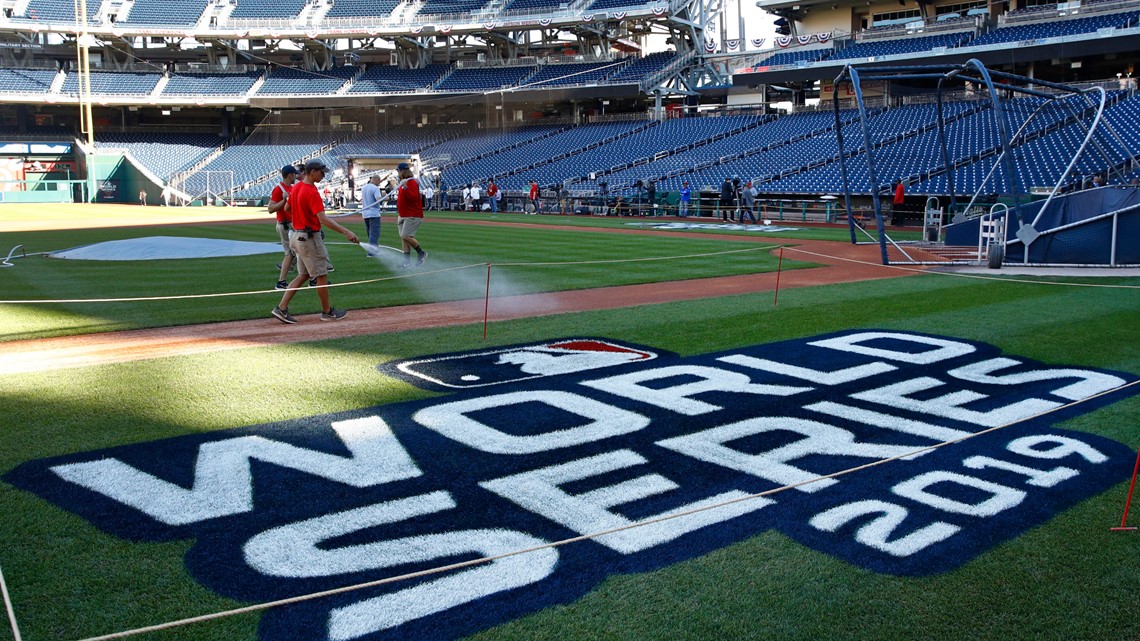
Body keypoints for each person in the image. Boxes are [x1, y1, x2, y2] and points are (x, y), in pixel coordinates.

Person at [271, 160, 358, 324]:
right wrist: (346, 232)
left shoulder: (295, 188)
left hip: (297, 236)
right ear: (312, 172)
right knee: (321, 275)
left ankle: (281, 308)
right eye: (321, 171)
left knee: (303, 275)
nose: (324, 174)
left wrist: (301, 215)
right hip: (310, 239)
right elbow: (323, 219)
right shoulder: (311, 191)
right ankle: (327, 312)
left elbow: (288, 209)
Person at [269, 164, 299, 289]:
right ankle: (281, 282)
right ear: (290, 175)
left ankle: (312, 277)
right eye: (294, 174)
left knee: (296, 251)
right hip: (285, 225)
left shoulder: (291, 187)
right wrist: (284, 200)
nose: (296, 176)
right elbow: (270, 209)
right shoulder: (278, 189)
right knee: (290, 253)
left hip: (292, 224)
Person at [395, 161, 428, 268]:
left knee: (405, 235)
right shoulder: (403, 182)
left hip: (412, 214)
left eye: (398, 171)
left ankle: (421, 253)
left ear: (402, 171)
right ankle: (406, 261)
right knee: (404, 238)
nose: (398, 173)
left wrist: (405, 187)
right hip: (403, 214)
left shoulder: (411, 182)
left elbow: (413, 197)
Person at [359, 174, 383, 254]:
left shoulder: (364, 187)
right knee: (374, 233)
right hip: (374, 213)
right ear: (376, 180)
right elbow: (378, 199)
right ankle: (372, 252)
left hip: (365, 213)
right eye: (379, 181)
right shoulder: (375, 188)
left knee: (370, 233)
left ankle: (373, 249)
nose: (379, 183)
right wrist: (385, 197)